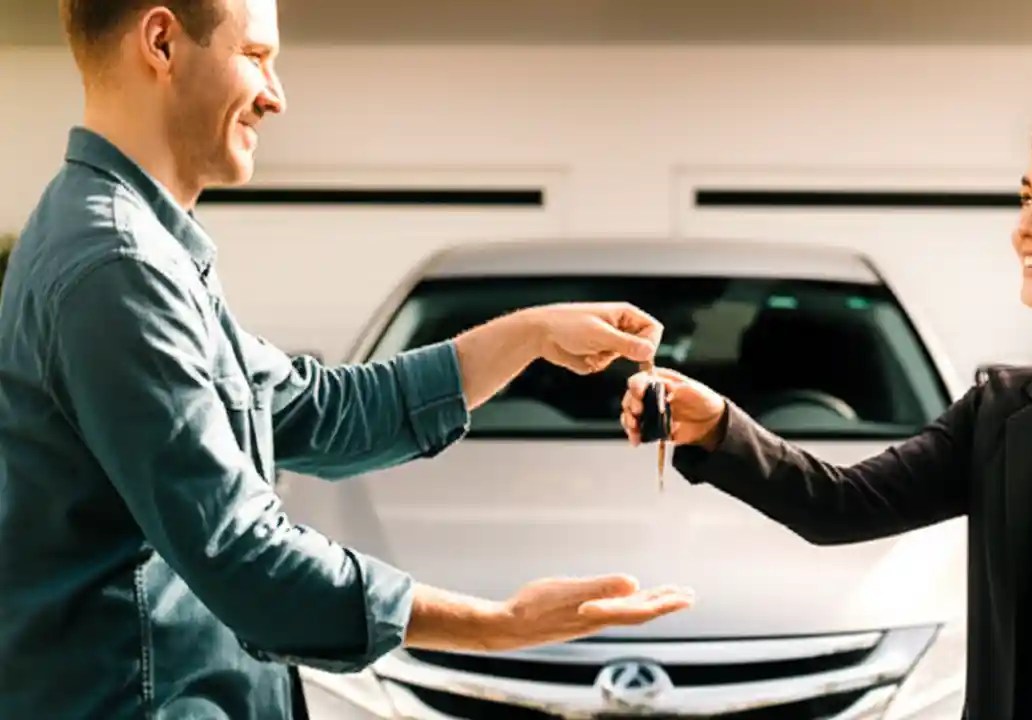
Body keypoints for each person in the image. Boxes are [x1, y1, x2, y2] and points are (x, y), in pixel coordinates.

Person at [0, 1, 694, 718]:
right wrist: (498, 626)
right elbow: (242, 556)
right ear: (162, 41)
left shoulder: (133, 247)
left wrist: (529, 336)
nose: (276, 96)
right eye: (257, 57)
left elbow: (316, 410)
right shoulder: (119, 266)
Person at [622, 93, 1032, 720]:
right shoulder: (999, 413)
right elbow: (840, 506)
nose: (1028, 226)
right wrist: (716, 428)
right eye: (1028, 197)